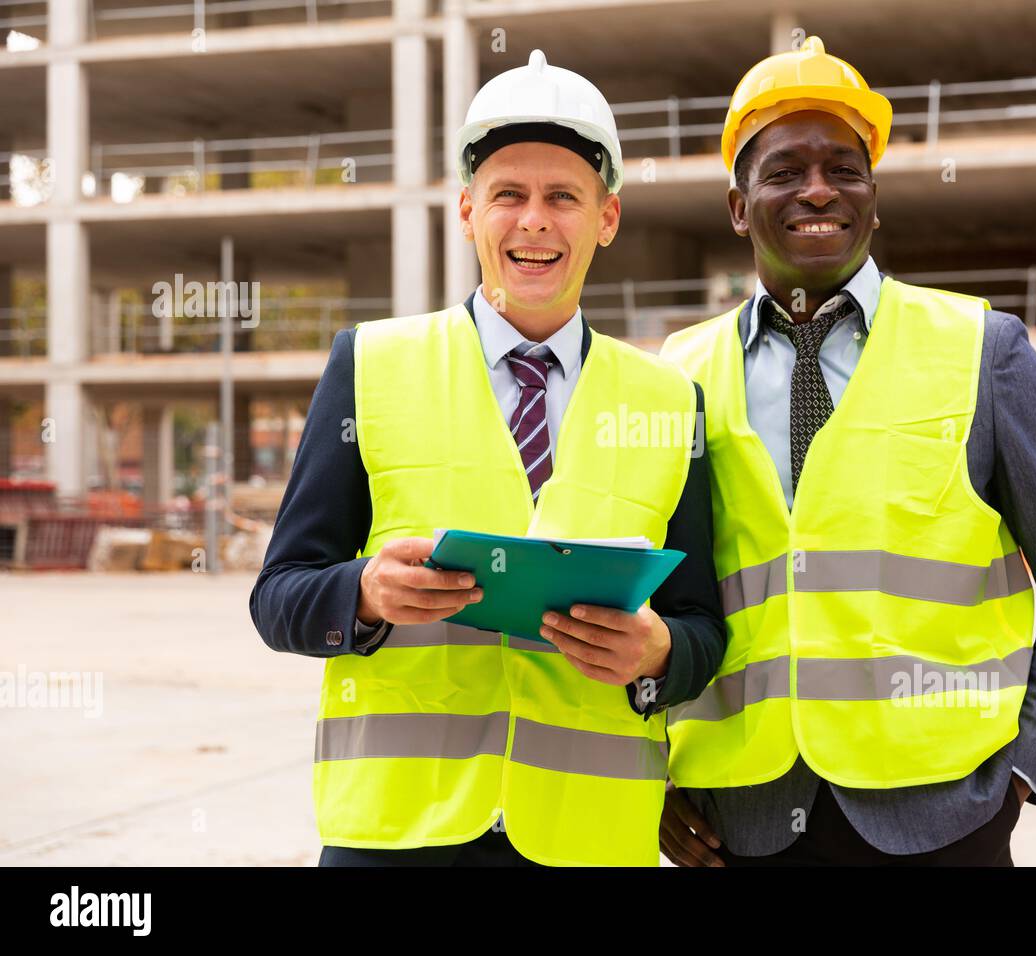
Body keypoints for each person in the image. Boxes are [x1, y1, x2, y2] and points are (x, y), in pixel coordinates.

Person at [658, 37, 1036, 866]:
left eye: (843, 168)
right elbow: (651, 597)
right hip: (744, 823)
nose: (818, 190)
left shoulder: (984, 350)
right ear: (739, 206)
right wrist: (655, 774)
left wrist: (1026, 767)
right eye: (782, 171)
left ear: (873, 199)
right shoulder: (674, 376)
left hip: (944, 822)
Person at [250, 49, 725, 867]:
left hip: (589, 840)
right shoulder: (370, 364)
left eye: (563, 198)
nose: (534, 221)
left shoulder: (667, 401)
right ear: (468, 211)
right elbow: (279, 597)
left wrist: (658, 655)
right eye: (508, 195)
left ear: (606, 219)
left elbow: (703, 631)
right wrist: (363, 592)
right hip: (398, 837)